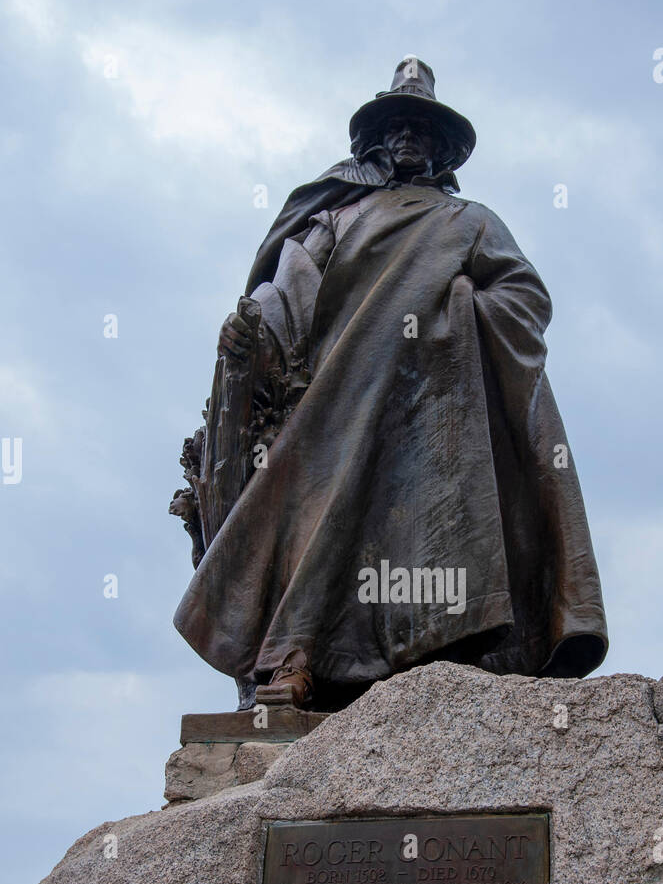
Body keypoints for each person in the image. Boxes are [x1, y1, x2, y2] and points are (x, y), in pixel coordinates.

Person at [173, 58, 608, 709]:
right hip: (334, 396)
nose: (408, 138)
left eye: (421, 129)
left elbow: (524, 298)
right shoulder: (334, 219)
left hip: (434, 400)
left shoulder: (471, 223)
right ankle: (293, 655)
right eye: (397, 126)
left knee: (423, 521)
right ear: (373, 141)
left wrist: (456, 315)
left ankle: (435, 647)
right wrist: (252, 335)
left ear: (441, 149)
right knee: (322, 491)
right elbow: (285, 293)